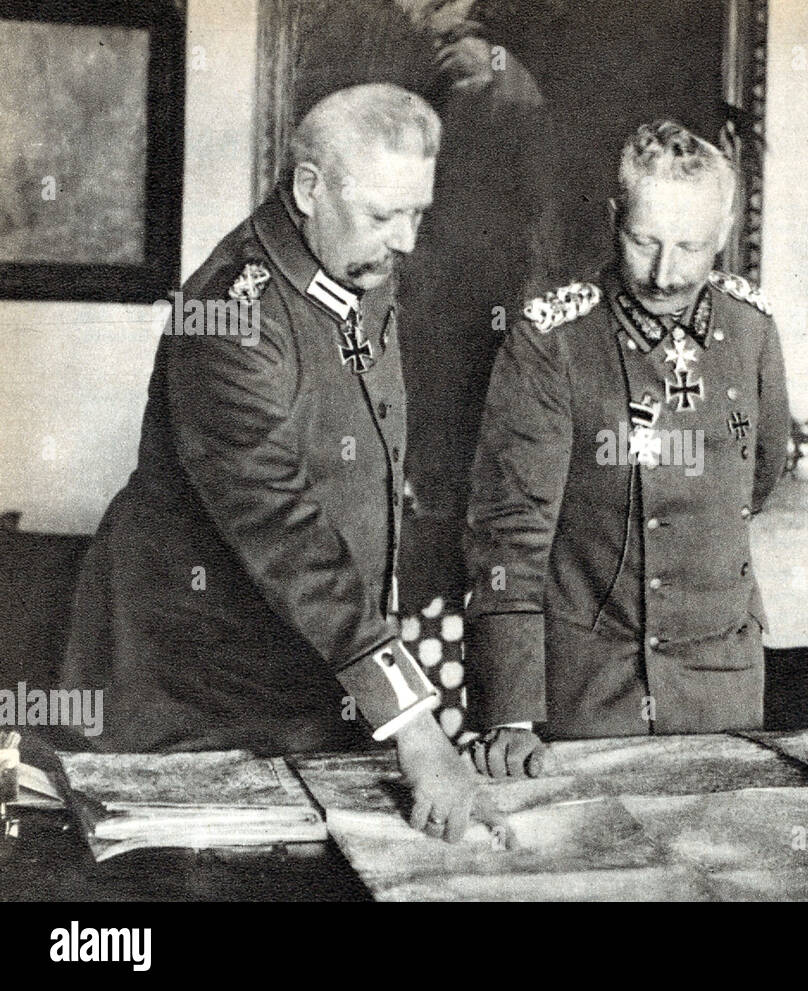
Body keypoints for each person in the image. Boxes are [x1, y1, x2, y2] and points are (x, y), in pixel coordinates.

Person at [57, 83, 508, 842]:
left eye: (417, 214)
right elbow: (287, 528)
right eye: (382, 215)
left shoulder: (356, 262)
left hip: (306, 672)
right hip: (191, 691)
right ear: (307, 187)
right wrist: (417, 728)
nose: (405, 241)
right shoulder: (230, 315)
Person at [463, 120, 790, 776]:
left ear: (723, 235)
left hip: (720, 684)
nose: (666, 273)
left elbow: (759, 477)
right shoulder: (553, 341)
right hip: (590, 688)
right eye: (644, 241)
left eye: (691, 247)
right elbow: (509, 536)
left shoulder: (751, 329)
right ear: (615, 218)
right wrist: (512, 716)